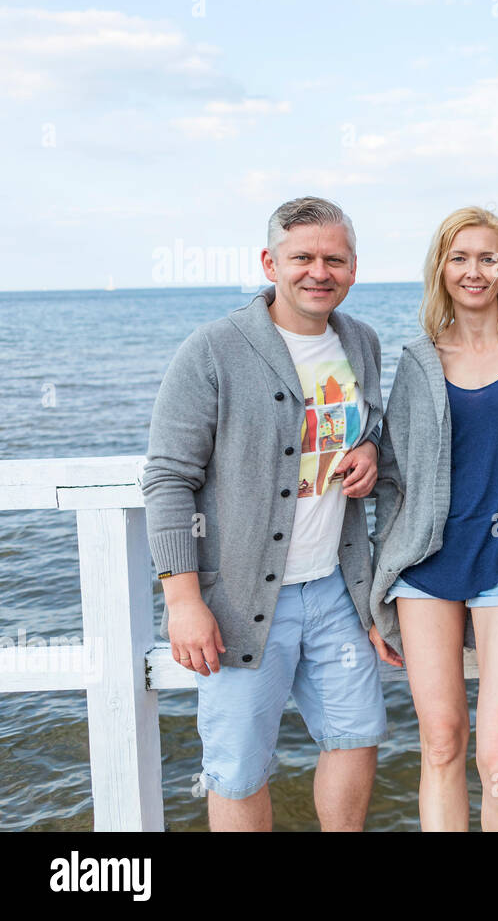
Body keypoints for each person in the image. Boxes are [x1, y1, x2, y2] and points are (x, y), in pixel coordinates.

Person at [141, 196, 387, 831]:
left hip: (337, 588)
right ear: (268, 261)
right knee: (239, 767)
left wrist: (368, 449)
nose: (318, 271)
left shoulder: (360, 342)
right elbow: (169, 478)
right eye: (301, 257)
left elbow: (368, 424)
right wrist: (183, 602)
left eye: (334, 259)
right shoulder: (214, 349)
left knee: (355, 738)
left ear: (354, 268)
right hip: (241, 598)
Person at [367, 206, 498, 832]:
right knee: (440, 745)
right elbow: (392, 473)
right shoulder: (418, 360)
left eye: (488, 257)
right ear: (441, 267)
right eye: (460, 258)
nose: (474, 270)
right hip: (426, 566)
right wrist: (377, 585)